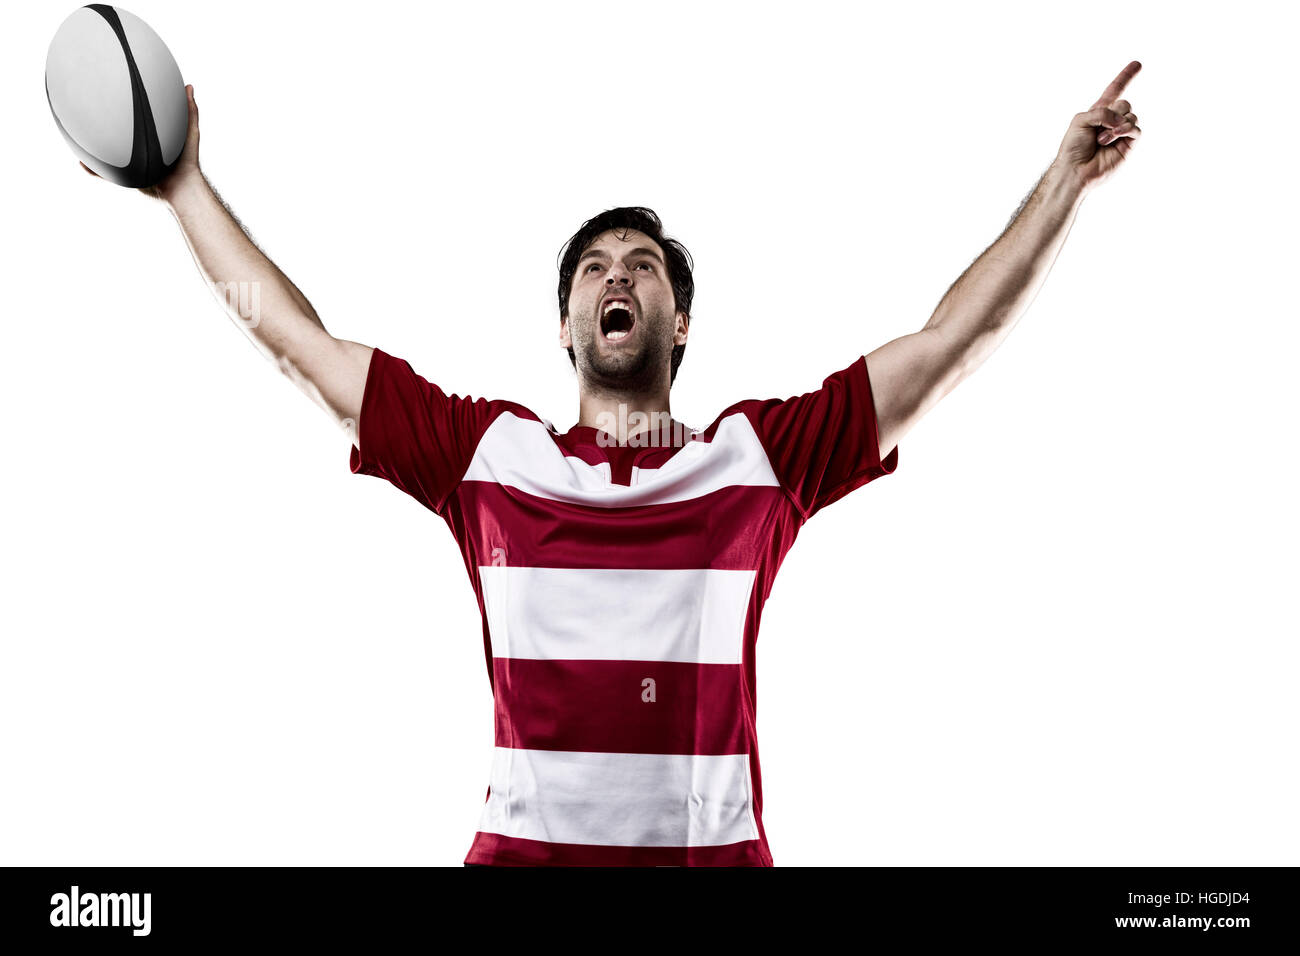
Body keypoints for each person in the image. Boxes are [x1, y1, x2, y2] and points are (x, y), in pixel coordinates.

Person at [82, 62, 1143, 867]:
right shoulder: (483, 455)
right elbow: (295, 343)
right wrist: (184, 189)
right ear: (566, 327)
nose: (614, 276)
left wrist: (1062, 182)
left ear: (679, 324)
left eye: (640, 265)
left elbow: (949, 341)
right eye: (593, 268)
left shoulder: (758, 459)